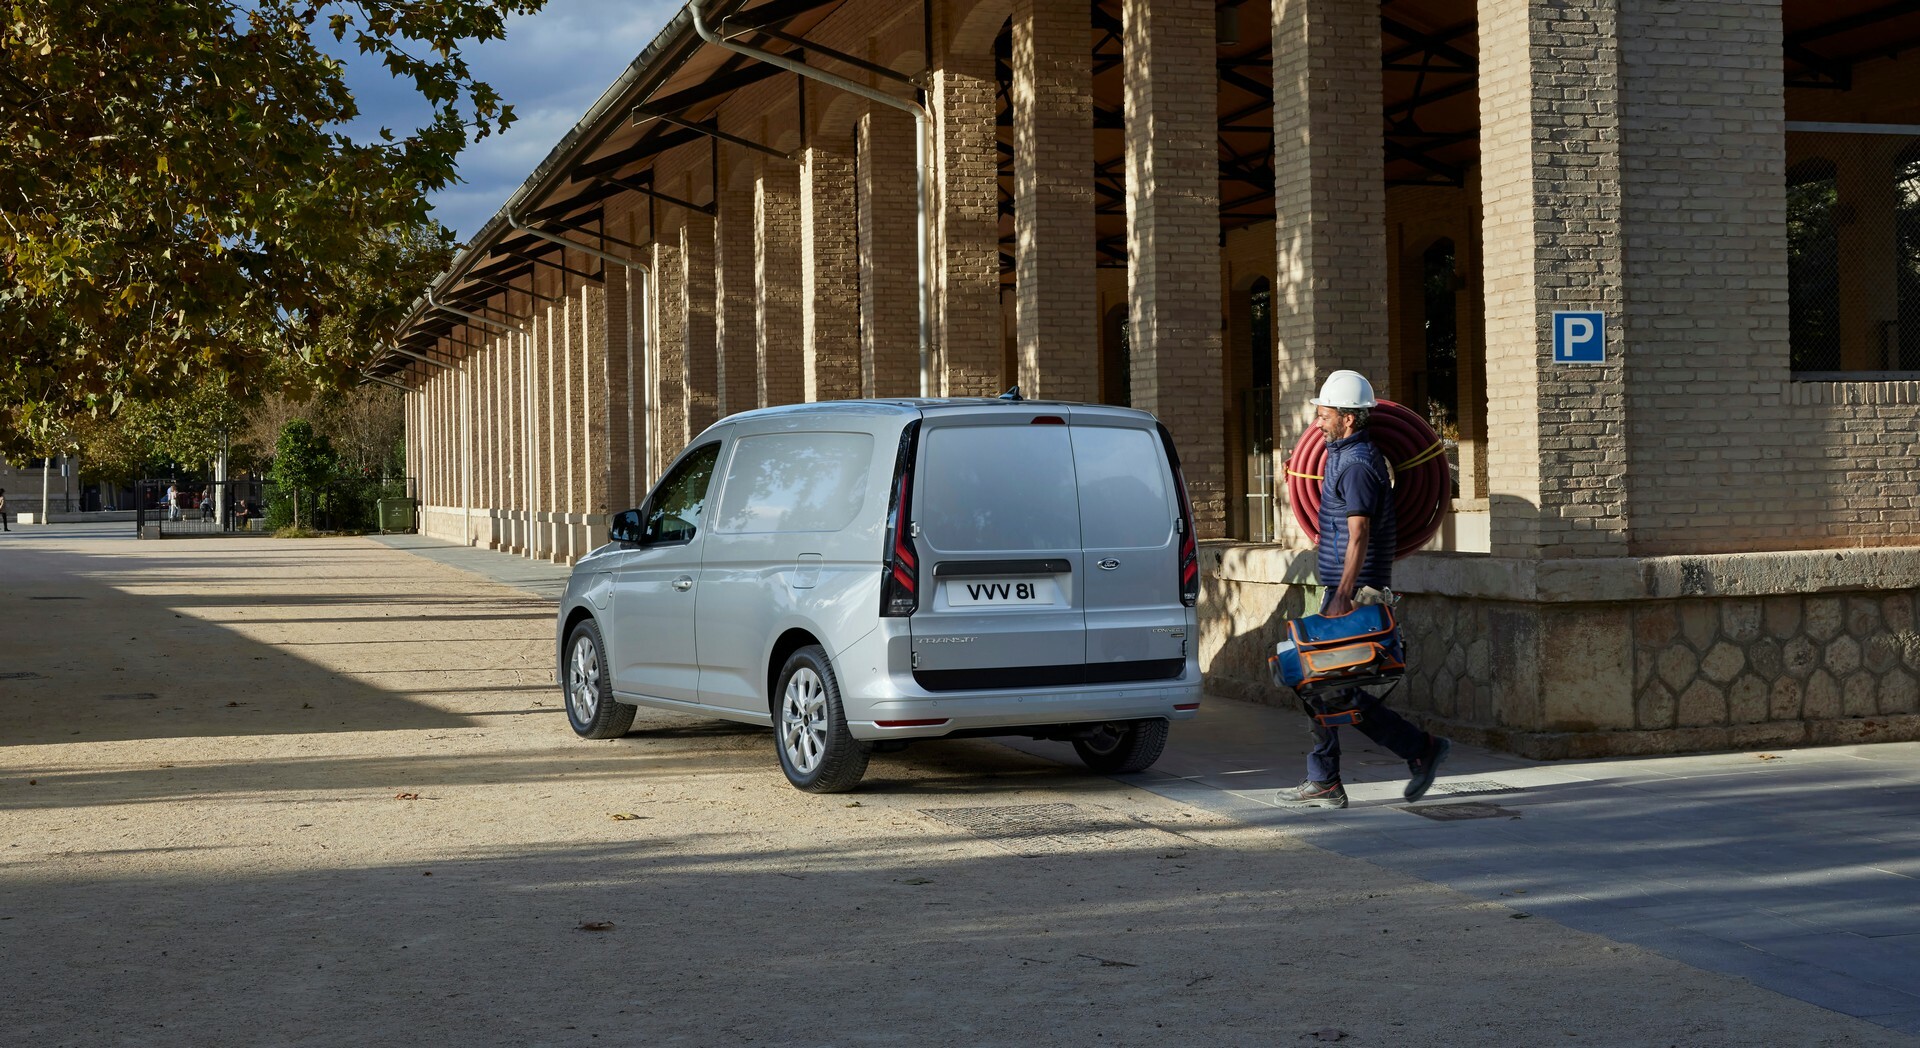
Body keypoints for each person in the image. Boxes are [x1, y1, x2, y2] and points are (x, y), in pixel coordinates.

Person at [1277, 370, 1449, 810]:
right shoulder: (1341, 455)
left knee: (1326, 682)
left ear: (1349, 419)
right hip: (1339, 583)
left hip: (1354, 590)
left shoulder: (1357, 466)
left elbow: (1359, 535)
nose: (1317, 422)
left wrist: (1343, 594)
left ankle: (1416, 749)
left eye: (1324, 414)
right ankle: (1328, 776)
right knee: (1319, 681)